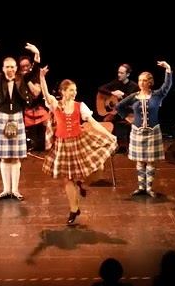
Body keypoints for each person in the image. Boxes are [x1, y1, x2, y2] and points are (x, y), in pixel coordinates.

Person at [38, 67, 117, 225]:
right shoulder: (55, 104)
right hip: (62, 144)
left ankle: (81, 182)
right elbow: (45, 93)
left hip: (79, 141)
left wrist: (109, 135)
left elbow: (93, 123)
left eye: (75, 90)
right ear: (63, 91)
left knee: (97, 169)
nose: (74, 92)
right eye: (71, 90)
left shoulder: (80, 106)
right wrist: (41, 77)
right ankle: (74, 209)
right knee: (68, 179)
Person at [0, 42, 42, 200]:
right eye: (7, 67)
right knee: (4, 157)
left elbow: (34, 71)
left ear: (16, 68)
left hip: (17, 118)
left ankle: (15, 190)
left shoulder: (22, 79)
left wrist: (36, 54)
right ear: (3, 68)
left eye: (13, 66)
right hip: (2, 118)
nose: (10, 69)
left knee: (16, 157)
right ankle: (6, 190)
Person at [114, 60, 173, 197]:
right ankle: (141, 187)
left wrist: (168, 70)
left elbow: (167, 86)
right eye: (140, 80)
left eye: (144, 80)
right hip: (138, 132)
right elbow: (119, 106)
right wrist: (127, 117)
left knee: (151, 161)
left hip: (153, 132)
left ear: (150, 82)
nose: (141, 83)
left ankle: (149, 188)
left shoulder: (157, 95)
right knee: (140, 161)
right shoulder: (134, 97)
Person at [98, 63, 137, 149]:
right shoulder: (116, 82)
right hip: (116, 112)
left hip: (128, 112)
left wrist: (123, 95)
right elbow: (101, 88)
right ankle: (112, 144)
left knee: (128, 122)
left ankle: (126, 146)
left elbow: (134, 103)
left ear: (128, 74)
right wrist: (112, 93)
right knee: (106, 120)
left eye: (122, 73)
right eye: (118, 72)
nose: (119, 74)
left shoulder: (134, 86)